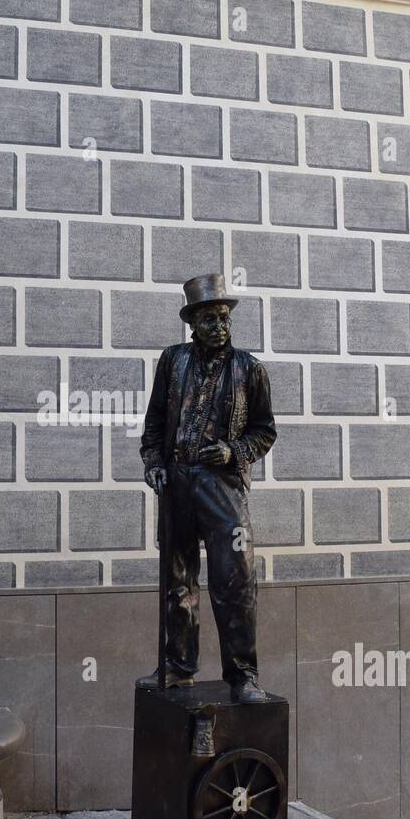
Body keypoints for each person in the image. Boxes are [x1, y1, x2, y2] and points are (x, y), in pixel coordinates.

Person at [136, 273, 277, 702]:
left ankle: (243, 677)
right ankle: (179, 666)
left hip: (223, 488)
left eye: (223, 318)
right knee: (177, 582)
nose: (219, 326)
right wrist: (154, 464)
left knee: (235, 581)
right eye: (210, 319)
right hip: (178, 483)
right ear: (192, 324)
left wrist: (234, 451)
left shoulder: (249, 369)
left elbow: (265, 431)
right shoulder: (172, 361)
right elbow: (155, 423)